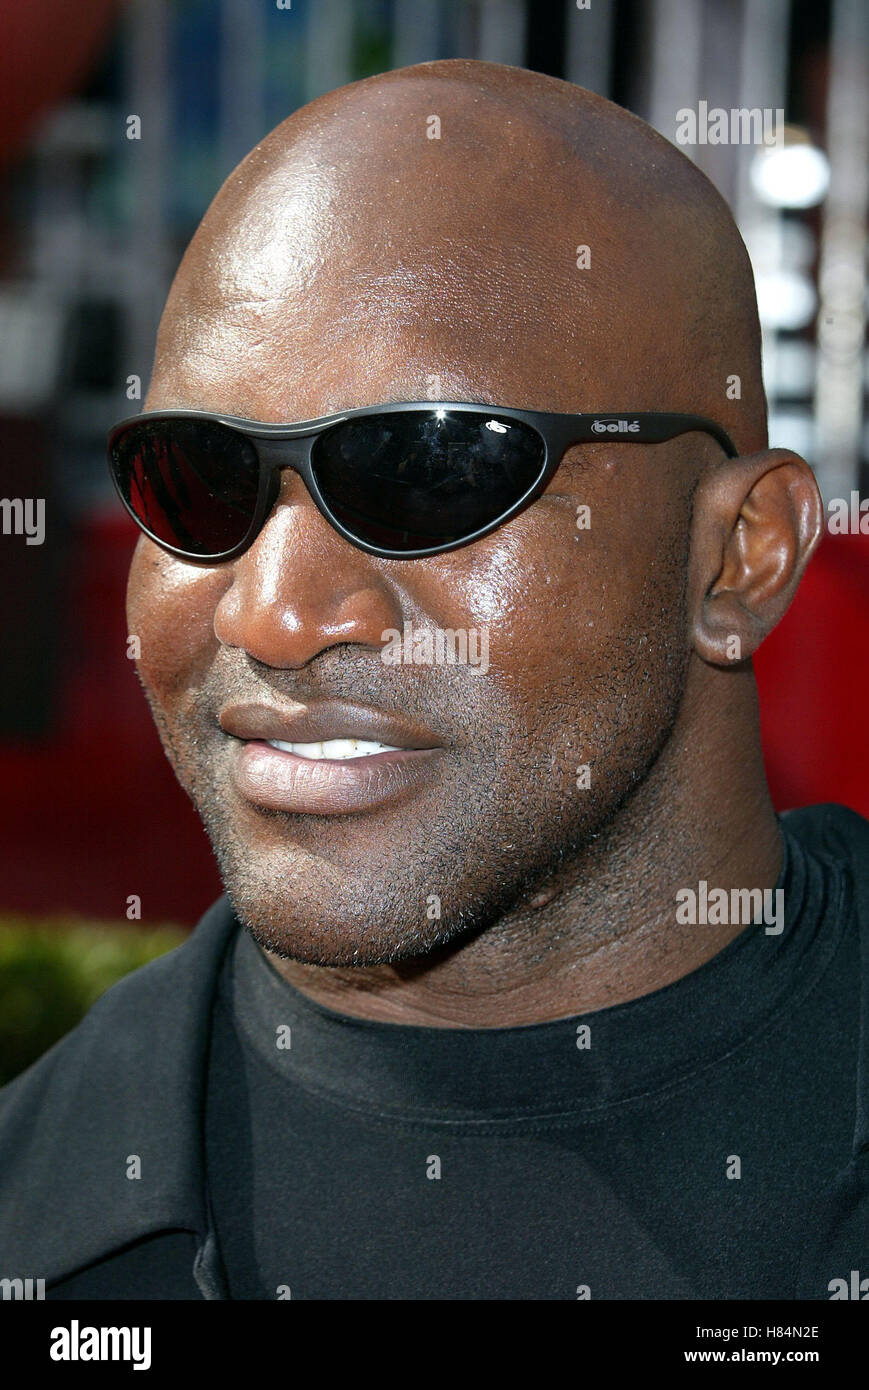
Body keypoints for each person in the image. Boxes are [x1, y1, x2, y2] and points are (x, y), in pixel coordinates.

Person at [1, 58, 867, 1302]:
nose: (276, 610)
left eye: (425, 468)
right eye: (199, 476)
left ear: (737, 555)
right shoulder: (43, 1229)